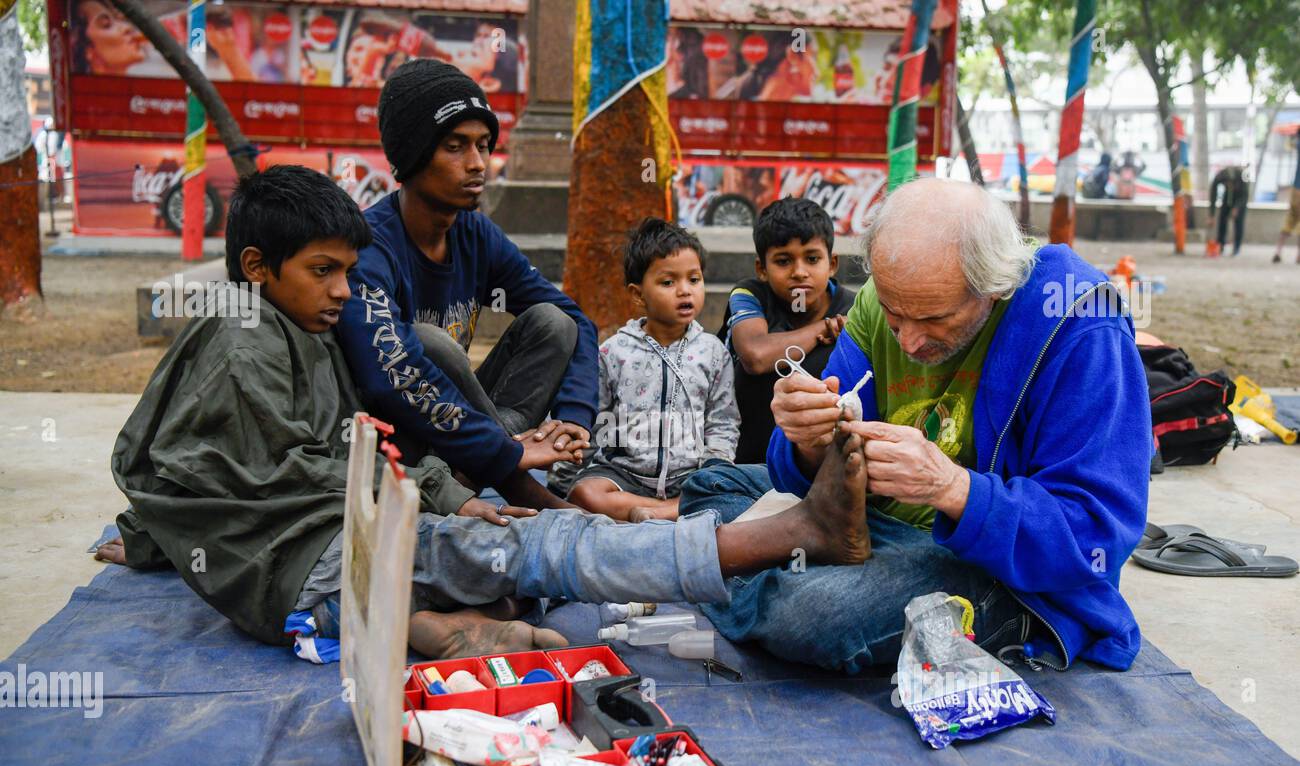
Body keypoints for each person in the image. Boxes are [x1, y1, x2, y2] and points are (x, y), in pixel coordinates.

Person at [102, 165, 873, 660]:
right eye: (325, 272)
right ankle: (791, 532)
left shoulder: (291, 327)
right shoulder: (246, 343)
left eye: (347, 271)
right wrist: (433, 494)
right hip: (321, 559)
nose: (343, 290)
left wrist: (448, 488)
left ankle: (428, 625)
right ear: (258, 269)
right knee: (546, 549)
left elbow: (196, 471)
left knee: (510, 556)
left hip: (311, 572)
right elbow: (298, 468)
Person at [680, 178, 1152, 675]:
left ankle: (736, 560)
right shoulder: (880, 303)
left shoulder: (1076, 321)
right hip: (864, 522)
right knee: (710, 484)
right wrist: (805, 439)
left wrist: (953, 488)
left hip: (999, 570)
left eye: (933, 319)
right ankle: (772, 553)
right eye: (892, 313)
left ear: (994, 289)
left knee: (814, 612)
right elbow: (807, 468)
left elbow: (1099, 534)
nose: (907, 341)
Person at [335, 59, 598, 514]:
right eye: (455, 147)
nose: (477, 163)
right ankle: (514, 480)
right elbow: (386, 378)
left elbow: (575, 320)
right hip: (400, 445)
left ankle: (490, 462)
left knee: (552, 324)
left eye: (482, 145)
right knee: (428, 342)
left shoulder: (477, 233)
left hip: (464, 432)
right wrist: (509, 457)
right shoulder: (370, 246)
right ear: (414, 156)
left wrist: (573, 418)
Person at [566, 219, 738, 522]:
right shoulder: (614, 351)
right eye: (668, 282)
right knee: (585, 492)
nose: (685, 291)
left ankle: (653, 513)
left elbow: (722, 422)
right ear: (638, 294)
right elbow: (596, 418)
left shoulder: (713, 352)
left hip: (689, 477)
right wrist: (568, 473)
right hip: (625, 474)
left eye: (694, 279)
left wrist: (714, 468)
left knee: (726, 491)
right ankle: (662, 513)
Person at [718, 197, 854, 464]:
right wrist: (821, 328)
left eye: (812, 259)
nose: (799, 272)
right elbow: (756, 355)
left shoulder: (854, 309)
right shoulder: (750, 294)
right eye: (783, 261)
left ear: (832, 263)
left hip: (820, 467)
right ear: (762, 269)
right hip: (743, 461)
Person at [1209, 165, 1249, 256]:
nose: (1229, 185)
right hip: (1227, 198)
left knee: (1239, 222)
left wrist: (1237, 208)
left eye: (1231, 183)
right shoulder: (1220, 176)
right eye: (1226, 184)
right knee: (1222, 220)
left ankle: (1237, 247)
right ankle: (1220, 245)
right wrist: (1211, 215)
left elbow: (1245, 196)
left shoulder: (1242, 176)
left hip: (1240, 198)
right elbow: (1213, 195)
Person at [1273, 132, 1300, 264]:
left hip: (1295, 189)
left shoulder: (1297, 144)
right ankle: (1299, 255)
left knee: (1289, 221)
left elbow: (1291, 144)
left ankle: (1278, 251)